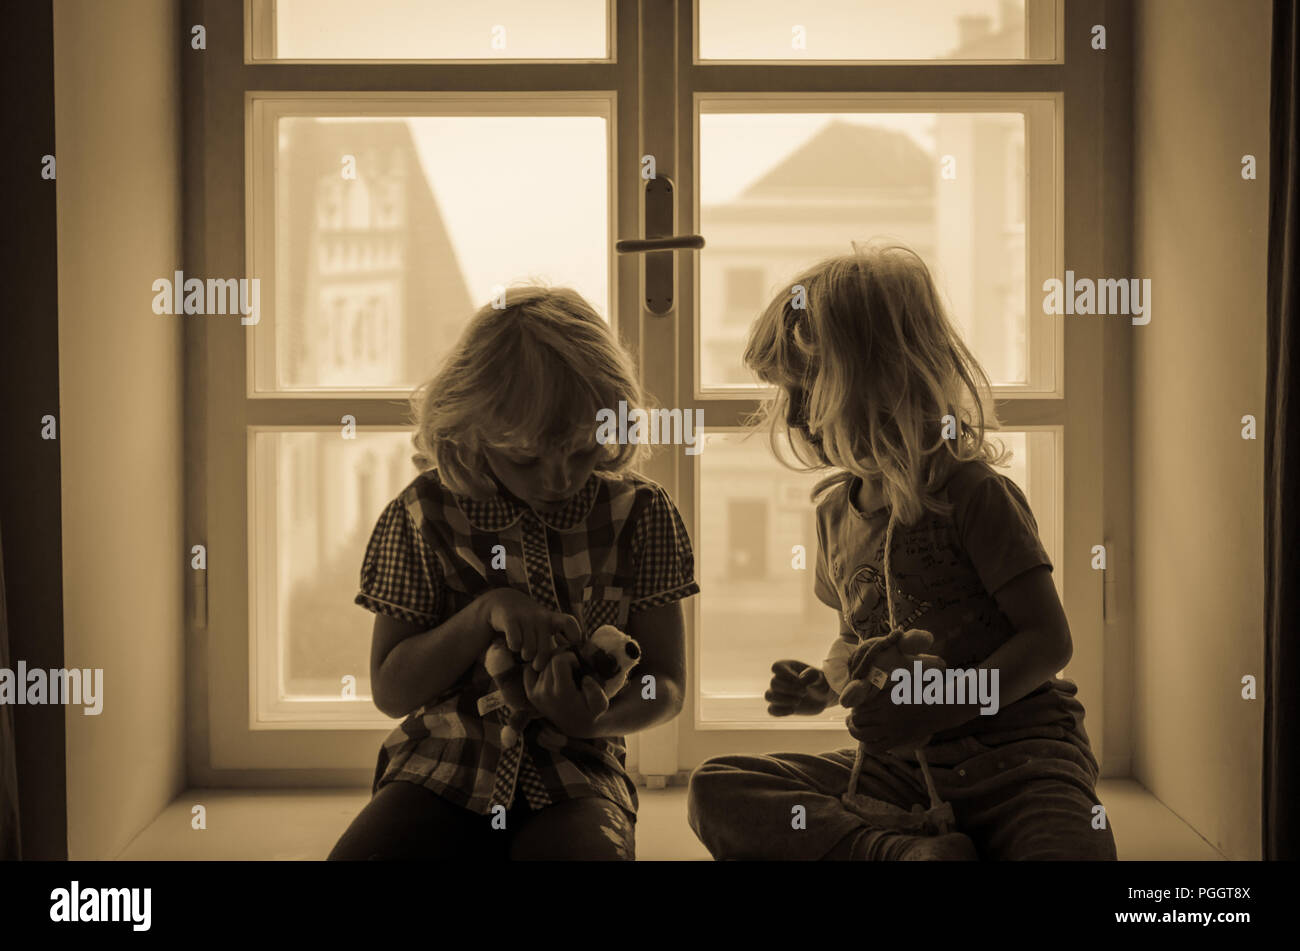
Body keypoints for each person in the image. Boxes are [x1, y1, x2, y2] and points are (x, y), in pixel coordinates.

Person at [687, 242, 1117, 861]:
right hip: (897, 771)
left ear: (879, 383)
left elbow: (1049, 642)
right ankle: (895, 852)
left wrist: (943, 708)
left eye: (806, 390)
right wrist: (827, 686)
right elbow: (859, 642)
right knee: (717, 787)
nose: (795, 415)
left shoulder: (975, 496)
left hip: (1021, 760)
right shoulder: (835, 513)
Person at [329, 287, 698, 860]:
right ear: (471, 437)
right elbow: (391, 689)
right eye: (526, 459)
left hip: (578, 776)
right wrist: (483, 613)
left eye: (583, 452)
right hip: (436, 768)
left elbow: (666, 685)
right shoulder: (425, 512)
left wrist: (594, 721)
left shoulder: (641, 515)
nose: (559, 479)